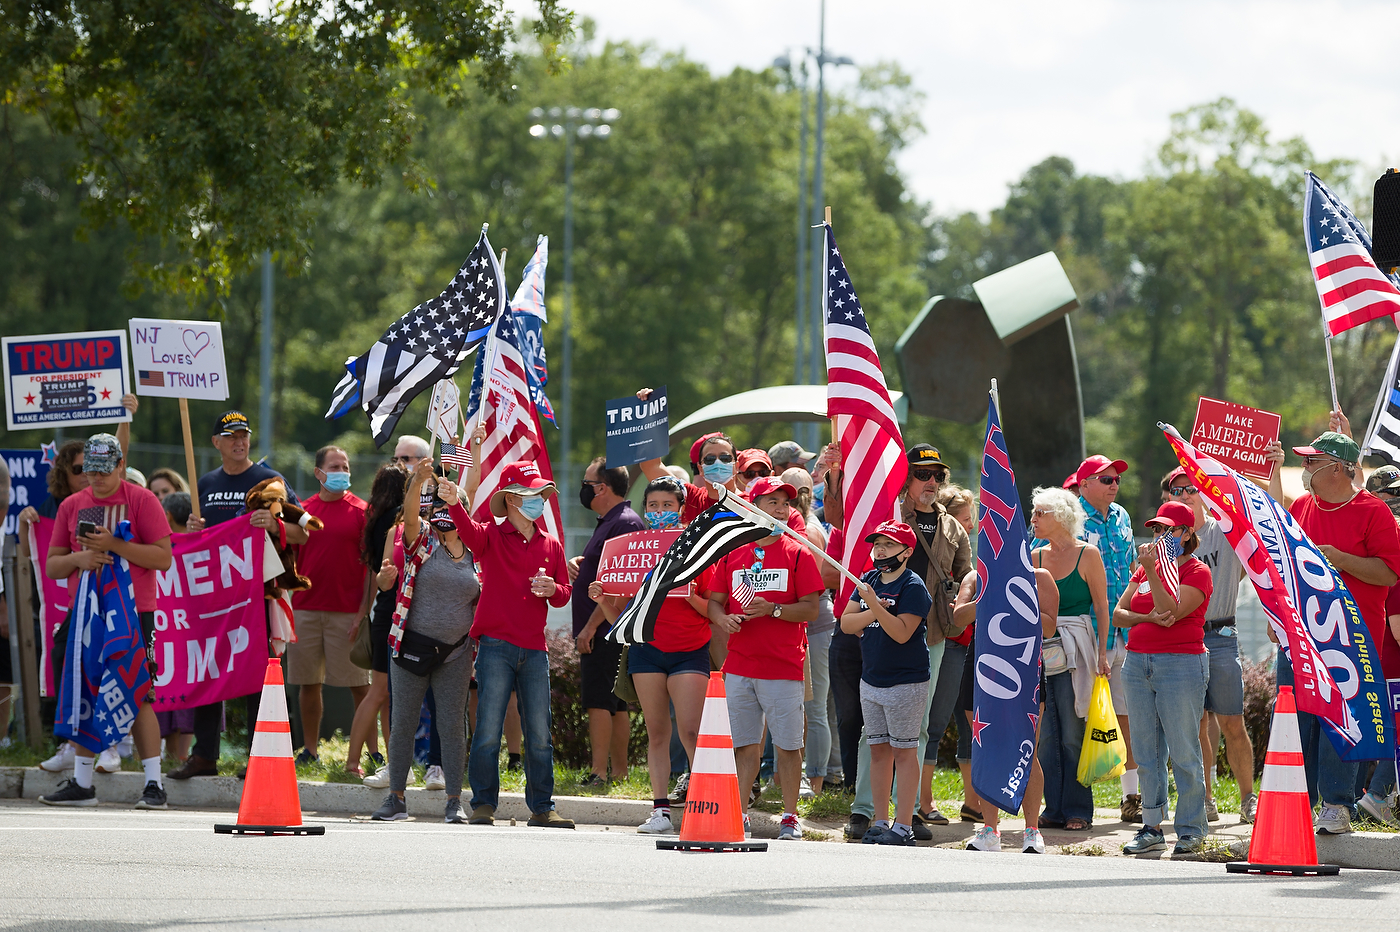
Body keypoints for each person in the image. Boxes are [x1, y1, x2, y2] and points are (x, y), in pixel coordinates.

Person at [169, 410, 308, 780]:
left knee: (258, 673)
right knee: (209, 670)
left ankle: (259, 756)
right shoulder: (207, 484)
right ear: (217, 443)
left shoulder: (269, 479)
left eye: (243, 435)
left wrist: (276, 525)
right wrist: (194, 529)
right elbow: (196, 545)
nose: (239, 441)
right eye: (230, 436)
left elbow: (303, 534)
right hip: (214, 599)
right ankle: (204, 757)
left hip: (258, 597)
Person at [36, 433, 173, 810]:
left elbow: (163, 558)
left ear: (120, 466)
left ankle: (153, 785)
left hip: (134, 613)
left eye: (102, 471)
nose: (94, 479)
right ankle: (82, 783)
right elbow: (52, 565)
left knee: (139, 692)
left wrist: (113, 545)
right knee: (85, 690)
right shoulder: (72, 504)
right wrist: (80, 560)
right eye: (88, 471)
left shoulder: (141, 500)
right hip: (85, 613)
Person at [844, 443, 970, 842]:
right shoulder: (890, 513)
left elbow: (966, 572)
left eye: (938, 476)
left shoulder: (953, 526)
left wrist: (961, 595)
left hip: (930, 633)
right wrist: (834, 475)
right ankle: (866, 812)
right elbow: (844, 517)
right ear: (906, 479)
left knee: (916, 730)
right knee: (874, 732)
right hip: (880, 634)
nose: (931, 482)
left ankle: (907, 813)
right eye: (922, 474)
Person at [447, 443, 575, 829]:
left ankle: (542, 807)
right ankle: (483, 804)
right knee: (487, 728)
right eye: (532, 494)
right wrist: (454, 502)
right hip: (496, 646)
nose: (539, 500)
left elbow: (563, 593)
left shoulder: (550, 544)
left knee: (539, 732)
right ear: (514, 499)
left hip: (534, 649)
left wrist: (553, 588)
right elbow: (467, 532)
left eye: (540, 494)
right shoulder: (490, 536)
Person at [1285, 430, 1400, 834]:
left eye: (1312, 461)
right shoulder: (1300, 506)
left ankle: (1337, 805)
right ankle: (1293, 802)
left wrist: (1339, 559)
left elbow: (1388, 571)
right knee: (1299, 720)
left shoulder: (1374, 512)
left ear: (1338, 468)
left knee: (1341, 720)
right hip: (1300, 634)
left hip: (1351, 638)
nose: (1304, 467)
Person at [587, 475, 714, 834]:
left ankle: (707, 805)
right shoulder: (634, 549)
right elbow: (620, 622)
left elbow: (713, 609)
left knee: (691, 732)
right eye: (653, 506)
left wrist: (687, 591)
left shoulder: (697, 547)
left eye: (667, 505)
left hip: (689, 650)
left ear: (681, 508)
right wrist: (603, 600)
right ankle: (660, 810)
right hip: (646, 650)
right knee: (657, 732)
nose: (660, 512)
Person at [709, 476, 823, 841]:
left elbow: (810, 610)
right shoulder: (733, 552)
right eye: (770, 501)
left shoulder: (798, 551)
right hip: (740, 665)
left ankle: (790, 817)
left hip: (783, 666)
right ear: (751, 506)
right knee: (744, 746)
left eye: (783, 503)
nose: (779, 508)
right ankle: (739, 814)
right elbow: (714, 601)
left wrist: (773, 609)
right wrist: (723, 618)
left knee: (788, 746)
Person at [368, 461, 480, 823]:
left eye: (452, 506)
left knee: (451, 726)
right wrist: (416, 483)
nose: (444, 513)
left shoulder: (479, 552)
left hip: (456, 654)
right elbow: (412, 515)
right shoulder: (422, 540)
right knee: (403, 723)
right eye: (439, 507)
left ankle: (453, 801)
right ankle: (396, 798)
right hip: (409, 648)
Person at [1113, 501, 1214, 856]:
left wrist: (1151, 574)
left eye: (1168, 530)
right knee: (1146, 751)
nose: (1159, 536)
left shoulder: (1197, 571)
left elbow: (1172, 608)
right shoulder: (1144, 571)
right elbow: (1118, 615)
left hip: (1181, 665)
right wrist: (1150, 620)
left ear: (1186, 534)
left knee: (1184, 750)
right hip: (1138, 664)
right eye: (1156, 529)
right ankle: (1152, 826)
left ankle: (1190, 829)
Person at [1160, 467, 1256, 825]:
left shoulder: (1224, 530)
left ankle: (1248, 799)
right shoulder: (1170, 540)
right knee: (1196, 724)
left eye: (1190, 489)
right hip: (1183, 635)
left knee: (1232, 721)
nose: (1184, 495)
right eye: (1177, 490)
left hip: (1221, 636)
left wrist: (1273, 470)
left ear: (1204, 491)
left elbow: (1267, 519)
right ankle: (1206, 799)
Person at [954, 560, 1061, 853]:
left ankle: (1032, 830)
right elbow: (959, 616)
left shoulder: (1041, 576)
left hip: (1023, 667)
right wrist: (990, 595)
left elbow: (1049, 627)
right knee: (987, 746)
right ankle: (990, 829)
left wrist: (1019, 599)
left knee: (1028, 748)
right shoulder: (977, 577)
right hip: (983, 666)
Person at [839, 521, 933, 846]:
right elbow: (846, 623)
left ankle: (904, 826)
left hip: (906, 682)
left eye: (889, 545)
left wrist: (874, 605)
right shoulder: (868, 579)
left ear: (907, 552)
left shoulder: (913, 586)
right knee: (878, 751)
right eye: (877, 544)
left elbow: (902, 632)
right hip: (872, 679)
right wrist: (874, 610)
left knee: (904, 752)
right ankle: (880, 821)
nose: (880, 551)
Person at [1028, 487, 1112, 832]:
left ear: (1060, 516)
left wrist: (1103, 652)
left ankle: (1079, 808)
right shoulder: (1034, 557)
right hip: (1041, 651)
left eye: (1039, 513)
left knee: (1073, 733)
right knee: (1046, 736)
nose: (1032, 519)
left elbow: (1102, 607)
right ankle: (1053, 808)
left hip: (1077, 650)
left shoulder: (1088, 554)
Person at [1065, 453, 1140, 820]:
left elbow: (1128, 568)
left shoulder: (1123, 516)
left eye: (1116, 480)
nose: (1114, 485)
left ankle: (1131, 796)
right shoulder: (1069, 516)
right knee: (1078, 713)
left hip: (1122, 629)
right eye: (1105, 479)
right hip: (1082, 629)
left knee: (1126, 711)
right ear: (1084, 485)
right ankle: (1077, 800)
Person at [286, 445, 372, 765]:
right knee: (308, 685)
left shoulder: (362, 512)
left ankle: (372, 752)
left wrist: (363, 613)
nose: (341, 472)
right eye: (334, 467)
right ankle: (310, 750)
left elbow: (371, 568)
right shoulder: (303, 514)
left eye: (345, 466)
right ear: (318, 472)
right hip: (305, 610)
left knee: (360, 687)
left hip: (348, 613)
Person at [569, 456, 645, 787]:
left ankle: (601, 772)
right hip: (604, 627)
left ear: (602, 487)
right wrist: (583, 565)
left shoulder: (625, 522)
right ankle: (618, 772)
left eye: (587, 483)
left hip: (606, 628)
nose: (583, 489)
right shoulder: (611, 521)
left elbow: (620, 585)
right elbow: (604, 568)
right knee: (613, 703)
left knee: (601, 702)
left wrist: (589, 627)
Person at [921, 483, 978, 823]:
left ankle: (974, 803)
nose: (970, 527)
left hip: (969, 647)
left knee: (971, 726)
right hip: (946, 642)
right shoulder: (937, 551)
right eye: (965, 520)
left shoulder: (967, 562)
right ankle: (924, 802)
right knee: (934, 724)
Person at [348, 463, 408, 784]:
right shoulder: (398, 520)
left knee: (384, 695)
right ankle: (352, 760)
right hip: (392, 611)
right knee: (381, 692)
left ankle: (390, 760)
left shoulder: (374, 520)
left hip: (381, 611)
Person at [784, 467, 835, 797]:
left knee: (814, 707)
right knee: (795, 705)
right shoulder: (789, 529)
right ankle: (789, 777)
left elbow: (809, 590)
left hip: (814, 627)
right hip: (794, 625)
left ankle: (814, 780)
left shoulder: (811, 531)